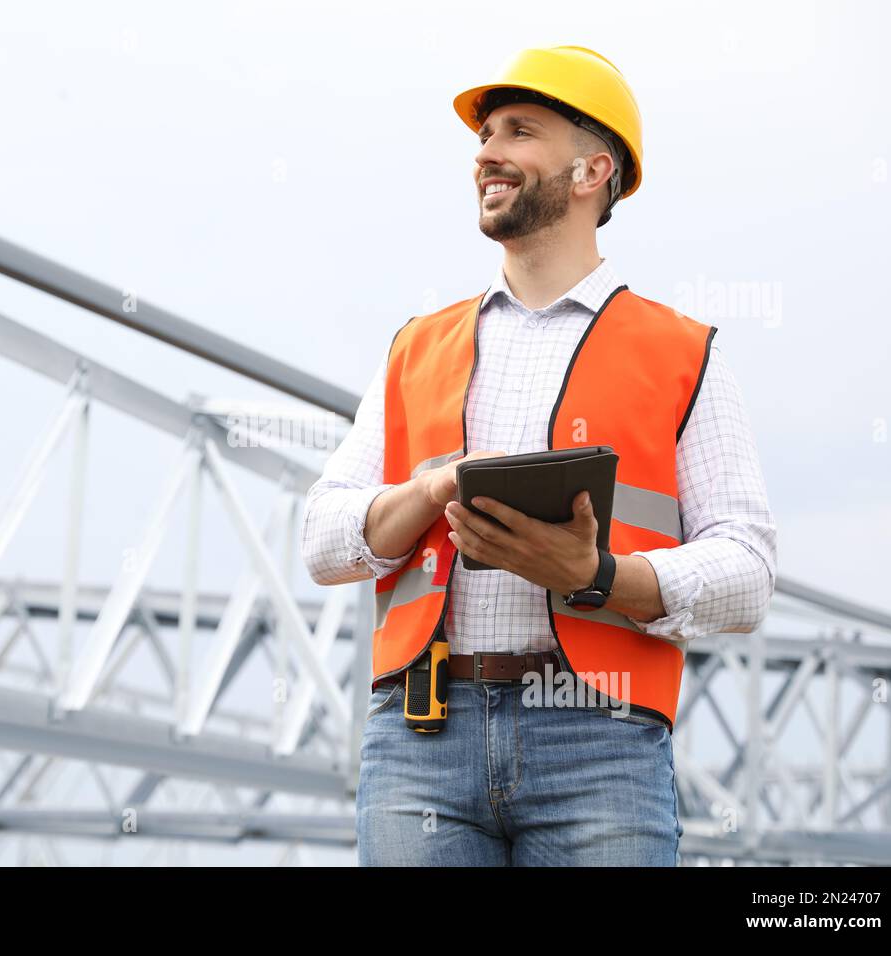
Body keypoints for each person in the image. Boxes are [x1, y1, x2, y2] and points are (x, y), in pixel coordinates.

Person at [300, 45, 777, 866]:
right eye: (484, 135)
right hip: (420, 735)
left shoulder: (683, 354)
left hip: (603, 743)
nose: (486, 152)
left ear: (594, 171)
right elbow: (320, 540)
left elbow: (749, 570)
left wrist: (596, 576)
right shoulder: (416, 347)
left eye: (520, 132)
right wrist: (431, 491)